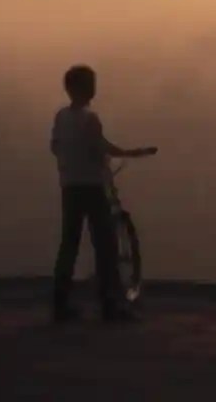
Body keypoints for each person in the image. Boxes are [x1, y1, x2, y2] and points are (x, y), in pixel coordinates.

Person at [50, 65, 157, 324]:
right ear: (85, 88)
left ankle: (60, 304)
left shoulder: (61, 116)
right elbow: (102, 148)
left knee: (69, 244)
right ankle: (110, 305)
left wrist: (69, 160)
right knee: (106, 245)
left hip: (69, 185)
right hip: (91, 185)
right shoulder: (91, 119)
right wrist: (132, 153)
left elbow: (54, 146)